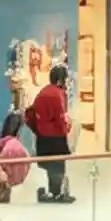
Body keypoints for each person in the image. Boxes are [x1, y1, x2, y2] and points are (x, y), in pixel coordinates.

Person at [26, 65, 75, 204]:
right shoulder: (58, 94)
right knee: (58, 165)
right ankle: (57, 194)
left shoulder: (44, 91)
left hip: (43, 136)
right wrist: (66, 128)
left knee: (50, 166)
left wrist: (37, 129)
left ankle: (53, 191)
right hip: (56, 137)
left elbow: (30, 113)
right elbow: (60, 118)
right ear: (61, 80)